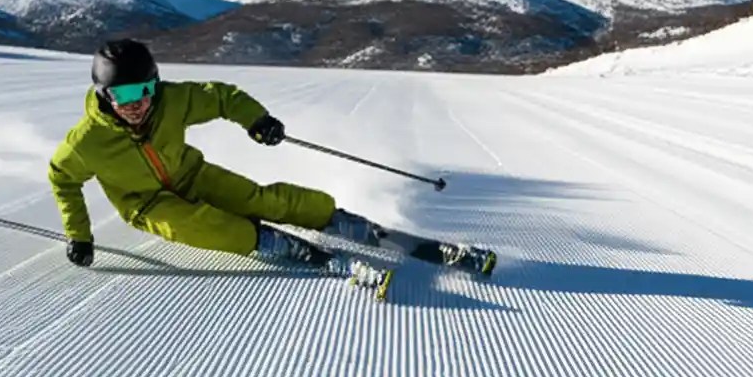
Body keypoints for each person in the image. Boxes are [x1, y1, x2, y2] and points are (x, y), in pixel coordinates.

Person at [48, 38, 494, 289]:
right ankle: (274, 244)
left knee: (259, 197)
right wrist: (79, 234)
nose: (137, 104)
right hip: (146, 203)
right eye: (123, 95)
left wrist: (256, 120)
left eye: (144, 90)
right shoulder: (85, 142)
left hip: (191, 173)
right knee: (206, 226)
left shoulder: (172, 101)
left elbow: (222, 96)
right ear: (104, 96)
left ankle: (346, 224)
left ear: (155, 84)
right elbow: (62, 178)